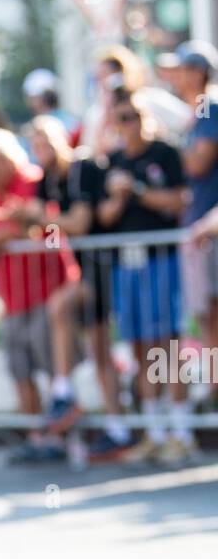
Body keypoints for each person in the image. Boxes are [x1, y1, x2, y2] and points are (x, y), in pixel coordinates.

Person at [15, 117, 128, 461]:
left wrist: (38, 219)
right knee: (100, 349)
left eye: (47, 141)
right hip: (91, 268)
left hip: (111, 266)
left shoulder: (81, 168)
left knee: (61, 308)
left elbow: (79, 223)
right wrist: (22, 217)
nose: (42, 150)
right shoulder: (47, 178)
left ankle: (64, 392)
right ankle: (117, 429)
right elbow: (38, 227)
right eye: (35, 145)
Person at [0, 128, 79, 444]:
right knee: (19, 369)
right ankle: (37, 438)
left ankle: (65, 438)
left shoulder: (32, 180)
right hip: (12, 298)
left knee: (53, 366)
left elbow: (25, 228)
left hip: (48, 289)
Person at [96, 93, 191, 464]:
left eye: (133, 116)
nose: (128, 124)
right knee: (138, 347)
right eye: (121, 118)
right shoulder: (114, 161)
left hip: (160, 260)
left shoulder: (165, 153)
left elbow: (179, 200)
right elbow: (104, 216)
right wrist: (119, 196)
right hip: (127, 265)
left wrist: (137, 191)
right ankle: (154, 431)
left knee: (166, 345)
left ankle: (181, 432)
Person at [159, 41, 218, 393]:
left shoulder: (209, 109)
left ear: (197, 73)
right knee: (207, 315)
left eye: (181, 69)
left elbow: (197, 163)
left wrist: (170, 152)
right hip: (201, 230)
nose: (175, 77)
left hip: (211, 231)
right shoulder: (195, 115)